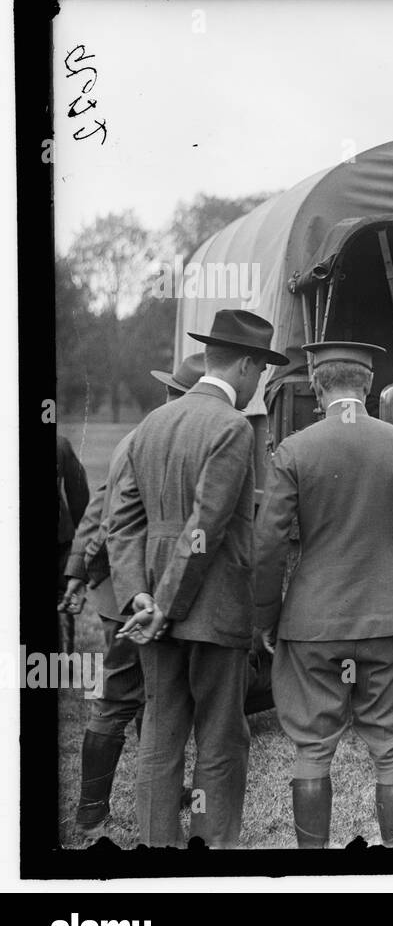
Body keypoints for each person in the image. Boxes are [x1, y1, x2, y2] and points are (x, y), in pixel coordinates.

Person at [253, 341, 393, 848]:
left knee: (312, 749)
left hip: (312, 622)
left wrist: (265, 617)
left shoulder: (294, 451)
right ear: (369, 384)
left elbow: (267, 544)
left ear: (315, 381)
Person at [109, 309, 286, 848]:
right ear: (247, 365)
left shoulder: (150, 426)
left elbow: (123, 524)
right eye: (261, 372)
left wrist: (141, 597)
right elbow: (204, 527)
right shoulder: (231, 428)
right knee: (220, 743)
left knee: (160, 740)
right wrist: (165, 604)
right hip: (213, 613)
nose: (259, 385)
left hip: (151, 612)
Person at [59, 353, 206, 832]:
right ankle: (91, 811)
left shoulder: (138, 435)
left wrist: (79, 569)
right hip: (131, 594)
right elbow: (109, 517)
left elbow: (97, 504)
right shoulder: (153, 440)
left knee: (151, 694)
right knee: (121, 697)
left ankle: (161, 789)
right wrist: (85, 572)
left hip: (128, 591)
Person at [56, 434, 90, 654]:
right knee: (63, 598)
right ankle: (63, 659)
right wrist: (81, 531)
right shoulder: (59, 443)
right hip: (60, 535)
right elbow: (78, 492)